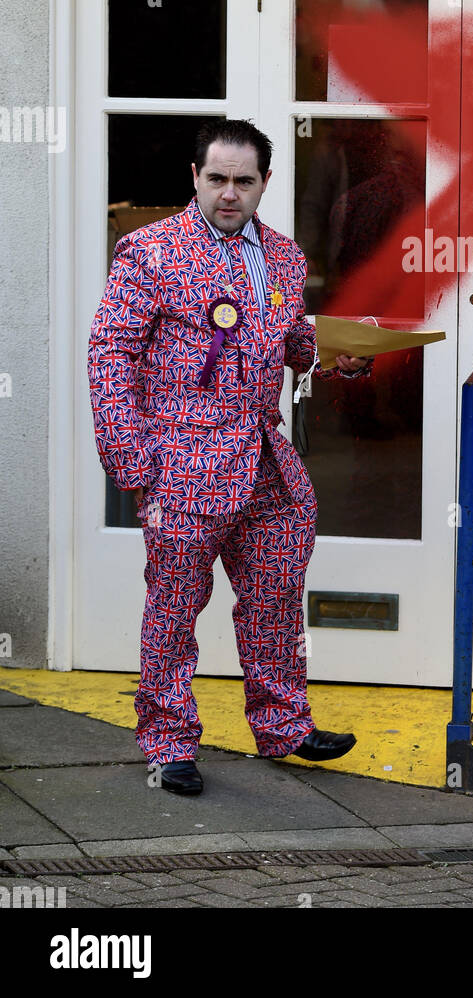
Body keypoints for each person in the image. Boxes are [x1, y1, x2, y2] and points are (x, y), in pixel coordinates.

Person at [87, 120, 373, 795]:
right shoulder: (150, 251)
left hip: (265, 461)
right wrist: (133, 461)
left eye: (244, 181)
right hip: (181, 467)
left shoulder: (281, 255)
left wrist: (339, 352)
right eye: (216, 178)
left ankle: (283, 726)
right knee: (175, 609)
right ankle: (168, 741)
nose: (229, 194)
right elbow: (110, 353)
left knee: (275, 597)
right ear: (195, 177)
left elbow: (287, 338)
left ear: (264, 183)